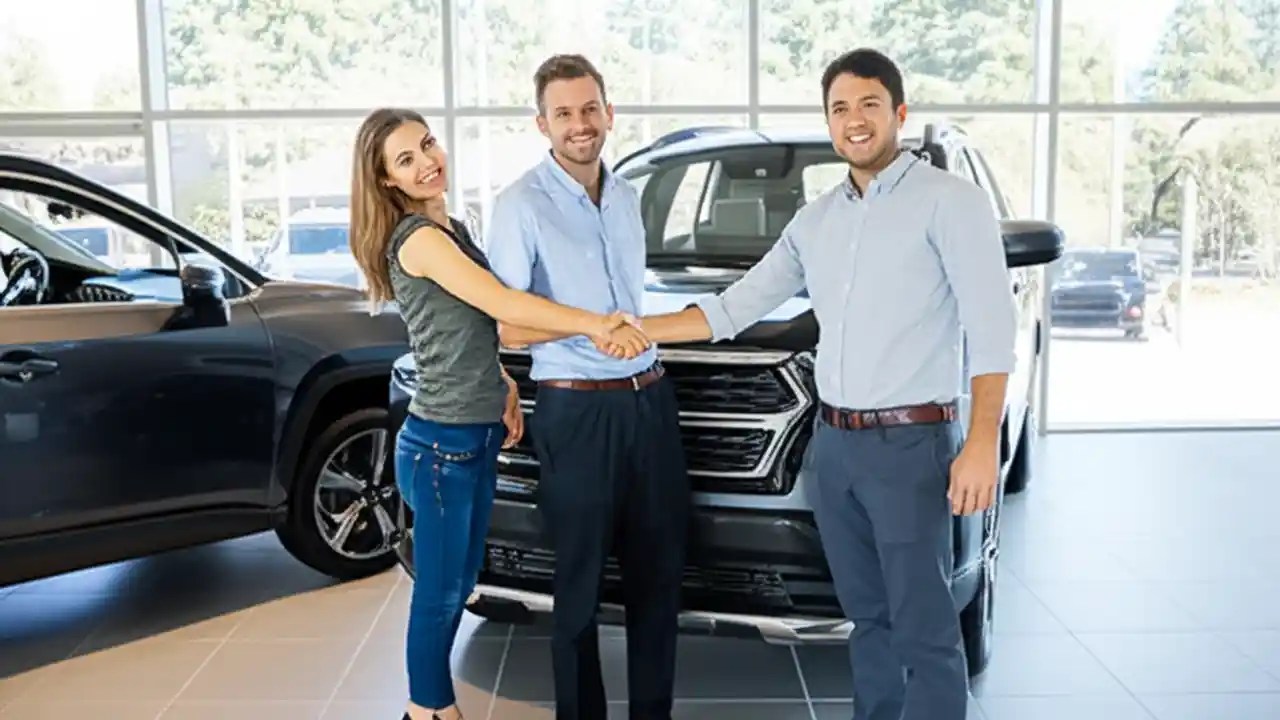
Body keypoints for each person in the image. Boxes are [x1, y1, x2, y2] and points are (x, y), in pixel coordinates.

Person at [639, 49, 1017, 720]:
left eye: (869, 104)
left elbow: (992, 326)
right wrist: (632, 329)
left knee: (924, 628)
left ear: (899, 113)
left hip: (911, 445)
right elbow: (734, 307)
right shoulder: (818, 220)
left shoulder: (950, 203)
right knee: (867, 621)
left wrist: (982, 438)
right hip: (833, 448)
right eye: (840, 108)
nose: (854, 120)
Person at [347, 107, 649, 720]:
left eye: (428, 144)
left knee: (459, 587)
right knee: (439, 593)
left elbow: (468, 328)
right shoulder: (421, 240)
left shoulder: (451, 227)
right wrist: (595, 323)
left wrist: (503, 380)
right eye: (406, 159)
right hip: (441, 446)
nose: (428, 161)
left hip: (473, 435)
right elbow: (503, 301)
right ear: (386, 181)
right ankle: (428, 710)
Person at [483, 54, 690, 720]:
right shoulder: (520, 206)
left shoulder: (628, 197)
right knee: (577, 591)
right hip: (577, 412)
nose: (581, 124)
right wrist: (592, 333)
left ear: (609, 112)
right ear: (542, 122)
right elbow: (510, 327)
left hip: (651, 405)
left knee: (658, 585)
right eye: (565, 113)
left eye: (590, 109)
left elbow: (634, 304)